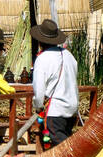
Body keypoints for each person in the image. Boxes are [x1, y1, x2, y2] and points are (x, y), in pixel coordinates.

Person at [31, 19, 79, 147]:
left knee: (60, 143)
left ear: (40, 41)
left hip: (56, 109)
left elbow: (39, 89)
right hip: (72, 107)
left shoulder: (42, 59)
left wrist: (38, 106)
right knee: (66, 138)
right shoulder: (69, 55)